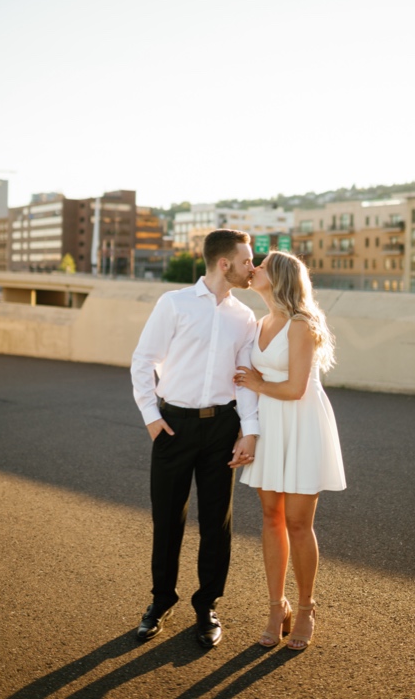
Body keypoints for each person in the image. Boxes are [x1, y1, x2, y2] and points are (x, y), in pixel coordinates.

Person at [127, 229, 262, 648]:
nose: (252, 267)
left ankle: (207, 606)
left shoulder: (244, 317)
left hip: (222, 427)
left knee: (217, 523)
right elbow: (142, 360)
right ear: (224, 263)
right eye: (246, 260)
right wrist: (152, 417)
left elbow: (243, 379)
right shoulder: (174, 303)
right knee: (168, 519)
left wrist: (249, 430)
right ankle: (161, 601)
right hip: (174, 425)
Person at [232, 251, 345, 653]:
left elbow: (296, 389)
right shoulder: (259, 323)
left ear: (278, 277)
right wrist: (247, 430)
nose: (253, 268)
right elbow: (247, 383)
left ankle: (307, 608)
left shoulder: (301, 324)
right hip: (271, 424)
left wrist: (257, 384)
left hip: (301, 424)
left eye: (261, 266)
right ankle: (275, 606)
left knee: (298, 522)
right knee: (270, 517)